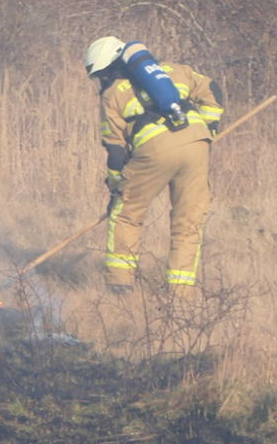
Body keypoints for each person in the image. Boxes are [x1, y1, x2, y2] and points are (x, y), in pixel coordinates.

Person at [83, 36, 224, 294]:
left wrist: (116, 188)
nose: (100, 82)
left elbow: (115, 150)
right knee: (189, 221)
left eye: (100, 76)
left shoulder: (111, 95)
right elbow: (214, 91)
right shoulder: (174, 71)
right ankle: (180, 295)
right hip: (196, 145)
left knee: (126, 214)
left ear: (108, 70)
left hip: (154, 152)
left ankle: (120, 287)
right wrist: (209, 132)